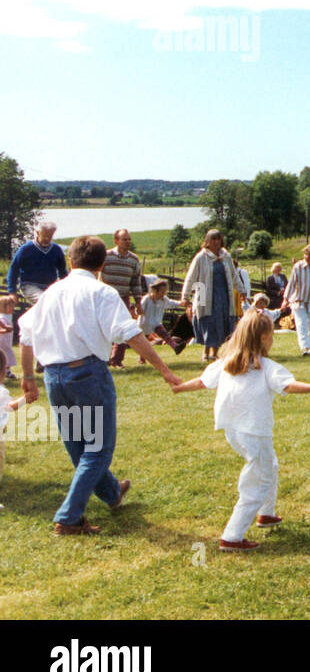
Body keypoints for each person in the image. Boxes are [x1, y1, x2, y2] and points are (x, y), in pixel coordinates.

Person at [16, 236, 181, 534]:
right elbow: (131, 334)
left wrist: (28, 378)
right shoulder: (102, 292)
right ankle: (68, 517)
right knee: (97, 449)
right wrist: (165, 370)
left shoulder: (51, 293)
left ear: (70, 260)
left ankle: (111, 493)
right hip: (87, 375)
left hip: (54, 378)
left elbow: (25, 335)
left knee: (78, 445)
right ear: (102, 264)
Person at [171, 311, 310, 552]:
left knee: (269, 464)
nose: (273, 340)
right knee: (258, 479)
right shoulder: (267, 367)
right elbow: (289, 386)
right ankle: (232, 536)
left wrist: (179, 388)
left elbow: (201, 381)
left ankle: (266, 514)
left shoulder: (225, 364)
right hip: (254, 430)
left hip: (233, 429)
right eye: (271, 335)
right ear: (262, 338)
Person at [181, 229, 240, 363]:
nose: (216, 242)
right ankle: (206, 351)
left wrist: (241, 290)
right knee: (207, 322)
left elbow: (233, 274)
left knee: (220, 322)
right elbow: (191, 277)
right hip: (203, 292)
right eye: (213, 239)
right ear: (207, 241)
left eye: (218, 239)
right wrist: (185, 295)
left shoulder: (226, 256)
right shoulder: (201, 257)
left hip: (223, 294)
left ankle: (215, 352)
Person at [101, 228, 146, 368]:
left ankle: (116, 360)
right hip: (105, 298)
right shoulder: (106, 256)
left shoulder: (133, 259)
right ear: (116, 241)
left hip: (123, 297)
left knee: (123, 328)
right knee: (103, 328)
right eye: (124, 239)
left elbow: (135, 282)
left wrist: (138, 302)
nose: (127, 242)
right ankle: (102, 358)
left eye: (129, 239)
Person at [6, 221, 67, 304]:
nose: (47, 239)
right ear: (37, 233)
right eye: (45, 236)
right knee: (44, 301)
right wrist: (12, 292)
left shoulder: (56, 250)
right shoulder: (26, 249)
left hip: (49, 286)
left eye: (50, 236)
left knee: (61, 301)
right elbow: (13, 270)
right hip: (29, 285)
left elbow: (62, 272)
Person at [139, 275, 185, 355]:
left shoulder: (163, 300)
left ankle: (175, 347)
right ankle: (142, 359)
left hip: (156, 323)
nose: (163, 294)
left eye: (165, 292)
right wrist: (138, 311)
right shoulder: (147, 299)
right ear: (155, 291)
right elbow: (140, 309)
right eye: (162, 292)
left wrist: (181, 303)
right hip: (144, 325)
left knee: (165, 335)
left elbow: (171, 303)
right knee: (144, 344)